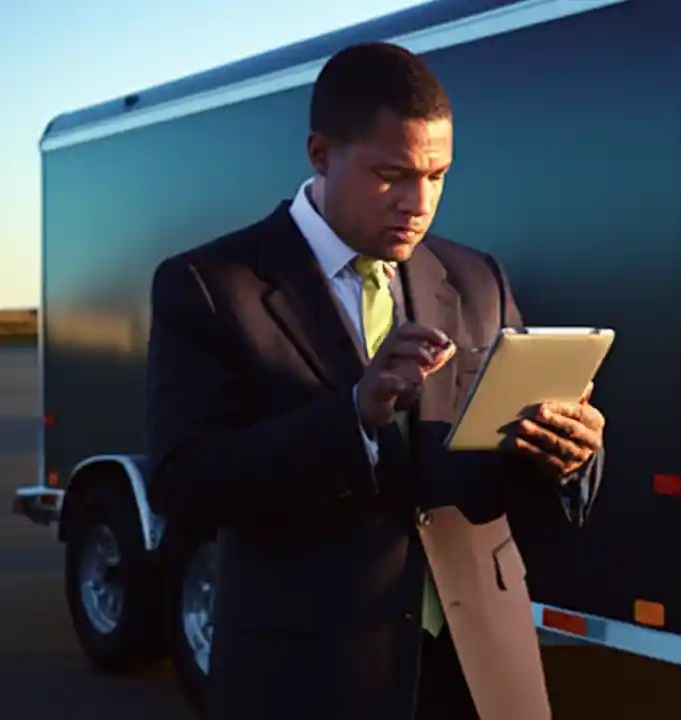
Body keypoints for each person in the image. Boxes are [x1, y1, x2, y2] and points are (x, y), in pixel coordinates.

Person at [144, 42, 605, 720]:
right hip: (310, 677)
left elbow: (493, 477)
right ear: (321, 154)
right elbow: (183, 484)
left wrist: (571, 454)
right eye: (392, 174)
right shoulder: (211, 285)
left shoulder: (478, 278)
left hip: (480, 668)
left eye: (438, 176)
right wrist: (352, 417)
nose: (419, 204)